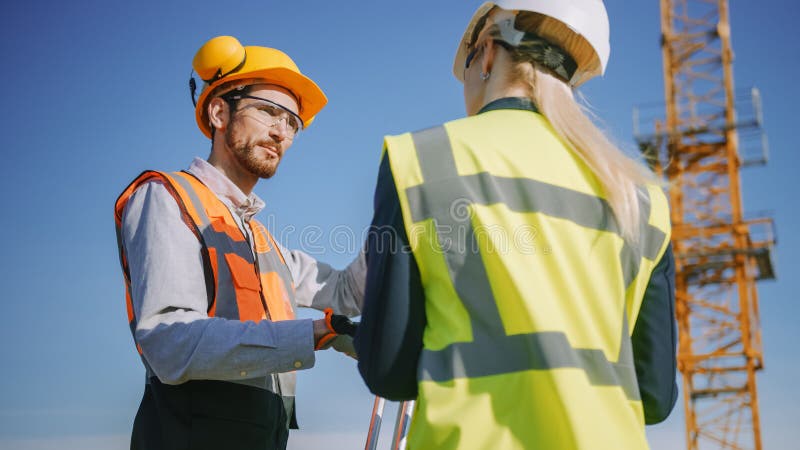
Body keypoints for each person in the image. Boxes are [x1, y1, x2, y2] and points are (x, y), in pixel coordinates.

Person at [354, 1, 677, 449]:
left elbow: (388, 371)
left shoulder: (421, 161)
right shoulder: (642, 198)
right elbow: (656, 397)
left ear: (486, 53)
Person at [114, 35, 364, 450]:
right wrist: (314, 334)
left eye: (292, 123)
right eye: (268, 111)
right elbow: (169, 342)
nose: (281, 132)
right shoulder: (168, 197)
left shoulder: (261, 241)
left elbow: (345, 293)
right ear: (218, 112)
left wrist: (400, 225)